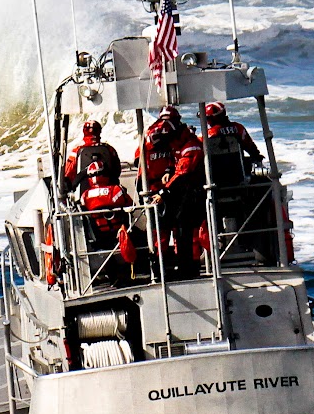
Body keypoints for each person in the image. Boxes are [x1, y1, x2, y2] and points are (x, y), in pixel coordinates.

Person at [136, 106, 205, 277]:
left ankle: (188, 270)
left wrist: (163, 193)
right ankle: (163, 269)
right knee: (165, 231)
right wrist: (167, 172)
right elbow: (172, 164)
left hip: (190, 196)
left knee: (186, 233)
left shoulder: (190, 147)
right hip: (172, 194)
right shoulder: (174, 145)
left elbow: (183, 173)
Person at [79, 160, 137, 286]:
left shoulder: (85, 196)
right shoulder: (116, 190)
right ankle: (136, 270)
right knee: (140, 234)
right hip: (119, 234)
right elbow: (131, 206)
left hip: (98, 236)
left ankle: (112, 276)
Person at [202, 101, 264, 187]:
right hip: (239, 172)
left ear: (211, 119)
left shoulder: (209, 133)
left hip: (216, 174)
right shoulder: (238, 128)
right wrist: (256, 156)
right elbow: (250, 146)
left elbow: (199, 148)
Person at [63, 119, 121, 196]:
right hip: (109, 193)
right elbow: (117, 171)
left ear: (84, 131)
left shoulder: (76, 151)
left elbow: (68, 173)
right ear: (99, 131)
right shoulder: (110, 149)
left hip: (84, 195)